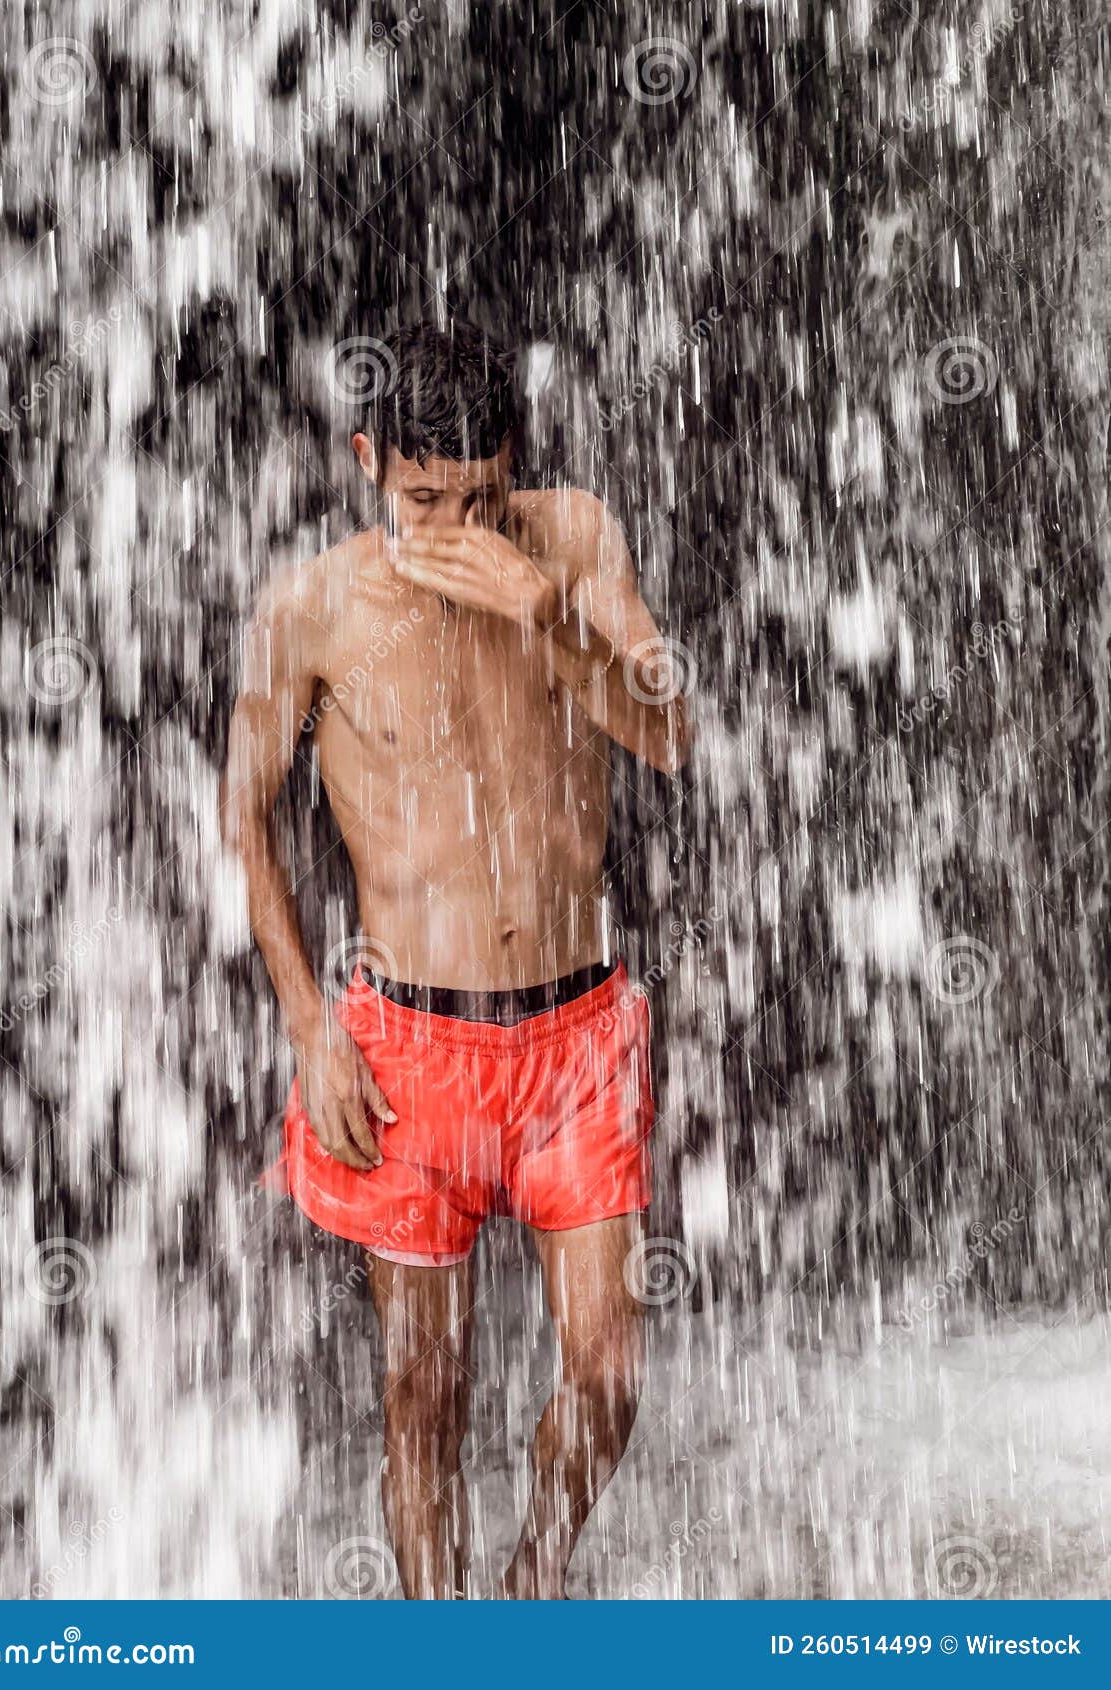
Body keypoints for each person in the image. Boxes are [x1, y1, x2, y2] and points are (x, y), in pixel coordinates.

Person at [221, 319, 690, 1599]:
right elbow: (244, 816)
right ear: (370, 461)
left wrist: (552, 620)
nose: (455, 529)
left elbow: (671, 737)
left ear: (512, 467)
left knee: (604, 1375)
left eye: (481, 498)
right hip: (405, 1049)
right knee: (422, 1395)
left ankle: (533, 1591)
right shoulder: (311, 606)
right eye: (426, 501)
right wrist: (311, 1026)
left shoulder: (574, 540)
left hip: (580, 1041)